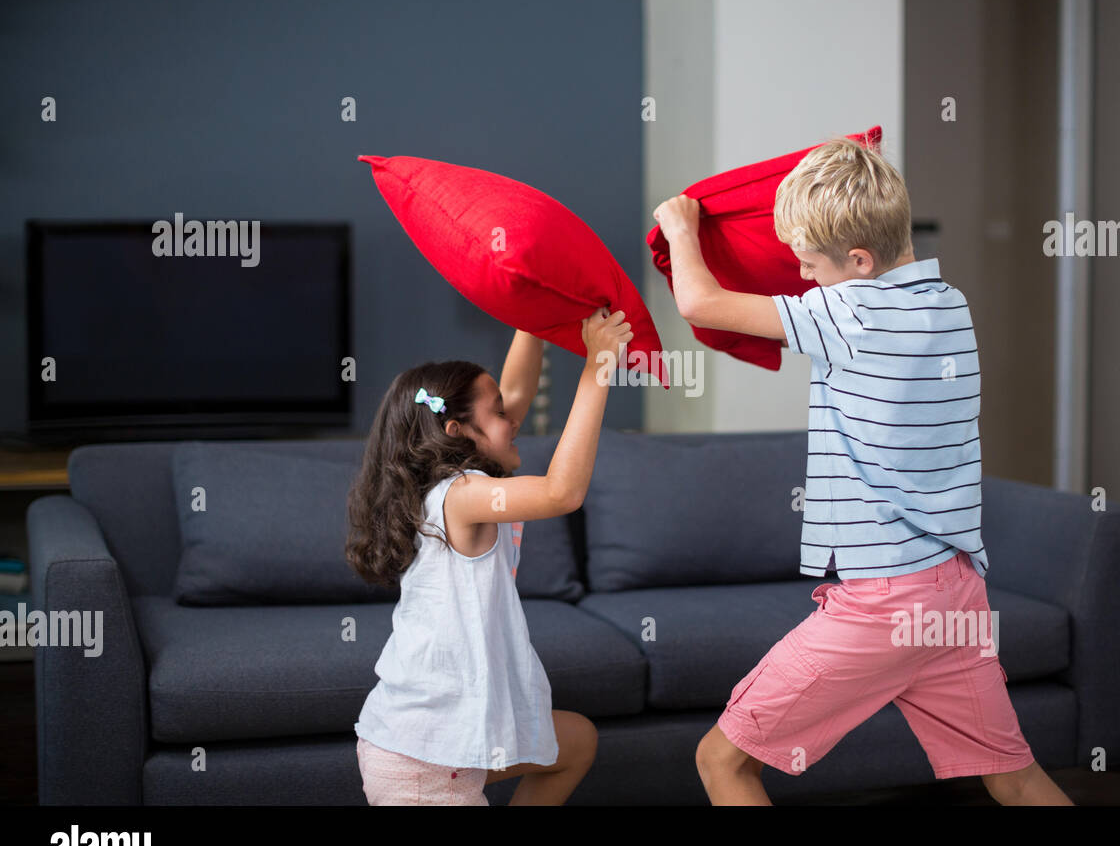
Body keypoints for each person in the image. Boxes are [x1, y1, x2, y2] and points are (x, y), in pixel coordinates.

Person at [654, 135, 1072, 805]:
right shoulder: (948, 303)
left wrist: (681, 230)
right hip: (955, 592)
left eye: (811, 265)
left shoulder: (847, 312)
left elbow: (700, 303)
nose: (805, 279)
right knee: (1014, 778)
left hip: (886, 599)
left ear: (857, 260)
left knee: (722, 761)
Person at [347, 310, 631, 804]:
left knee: (575, 741)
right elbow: (562, 493)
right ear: (457, 431)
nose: (514, 417)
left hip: (418, 747)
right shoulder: (463, 495)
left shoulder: (450, 485)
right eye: (499, 414)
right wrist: (597, 368)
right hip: (424, 765)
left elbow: (515, 394)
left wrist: (531, 313)